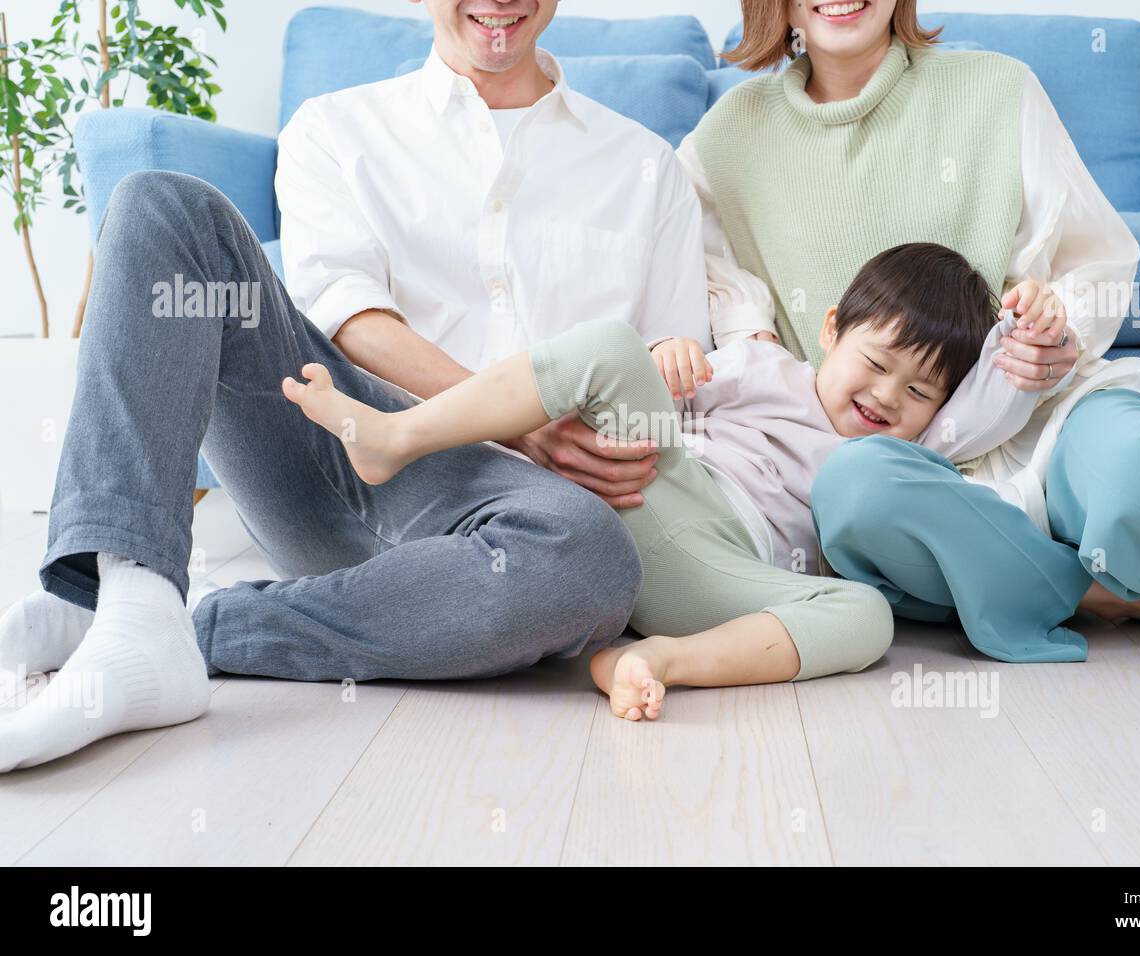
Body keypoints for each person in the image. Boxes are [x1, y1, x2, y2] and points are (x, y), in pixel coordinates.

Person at [0, 0, 708, 772]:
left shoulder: (645, 166)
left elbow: (673, 369)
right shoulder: (336, 128)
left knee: (593, 562)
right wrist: (516, 414)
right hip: (332, 438)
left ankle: (170, 621)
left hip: (525, 513)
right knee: (161, 207)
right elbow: (349, 318)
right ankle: (129, 589)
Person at [280, 242, 1140, 721]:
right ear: (830, 329)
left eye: (919, 391)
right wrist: (671, 357)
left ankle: (656, 660)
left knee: (867, 617)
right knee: (616, 347)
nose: (886, 397)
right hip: (654, 483)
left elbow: (994, 395)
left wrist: (1027, 313)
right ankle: (398, 435)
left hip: (722, 572)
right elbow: (656, 393)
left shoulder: (910, 449)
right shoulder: (766, 367)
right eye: (875, 364)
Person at [680, 0, 1140, 661]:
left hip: (1041, 410)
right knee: (853, 499)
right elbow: (717, 295)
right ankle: (1105, 594)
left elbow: (1096, 258)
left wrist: (1054, 322)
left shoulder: (997, 88)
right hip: (895, 459)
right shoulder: (724, 141)